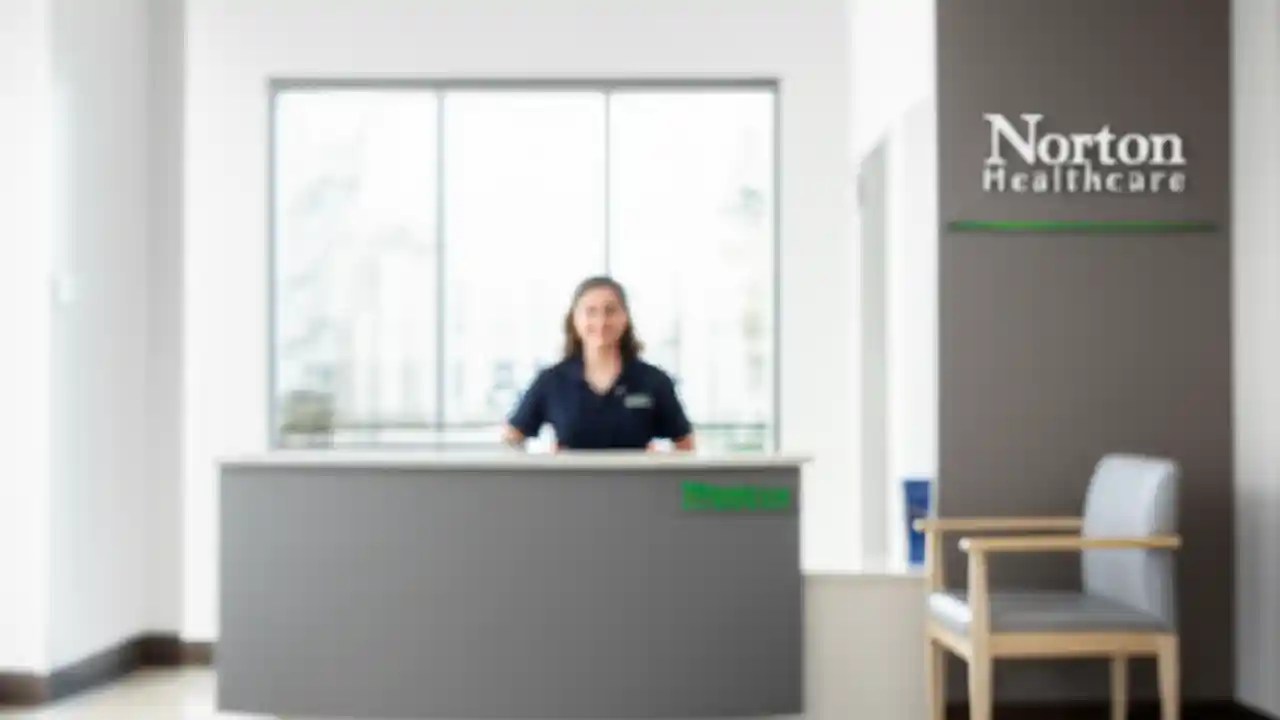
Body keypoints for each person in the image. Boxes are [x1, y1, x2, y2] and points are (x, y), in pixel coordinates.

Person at [502, 276, 695, 451]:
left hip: (636, 489)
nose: (601, 321)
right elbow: (512, 438)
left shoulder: (654, 381)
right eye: (590, 312)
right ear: (575, 320)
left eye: (610, 311)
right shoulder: (552, 381)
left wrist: (659, 468)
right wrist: (543, 468)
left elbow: (685, 445)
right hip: (570, 489)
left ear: (625, 318)